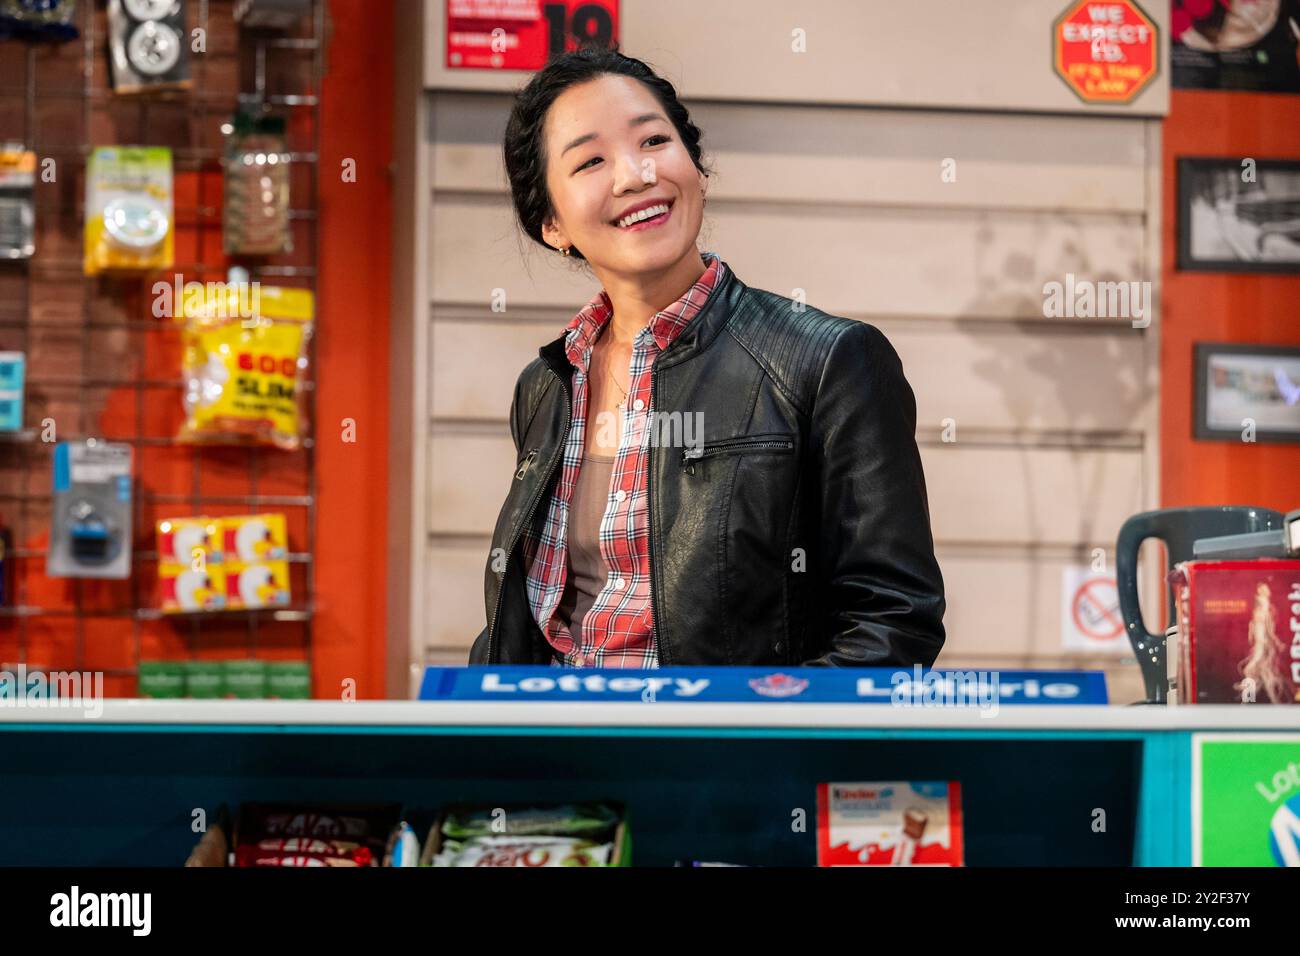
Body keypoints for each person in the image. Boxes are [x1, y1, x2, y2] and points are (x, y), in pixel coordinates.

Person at [469, 46, 945, 668]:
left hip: (726, 757)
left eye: (655, 142)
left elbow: (892, 623)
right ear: (551, 224)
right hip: (565, 751)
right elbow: (528, 621)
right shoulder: (548, 383)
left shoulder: (828, 361)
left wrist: (748, 742)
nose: (636, 175)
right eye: (590, 161)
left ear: (696, 165)